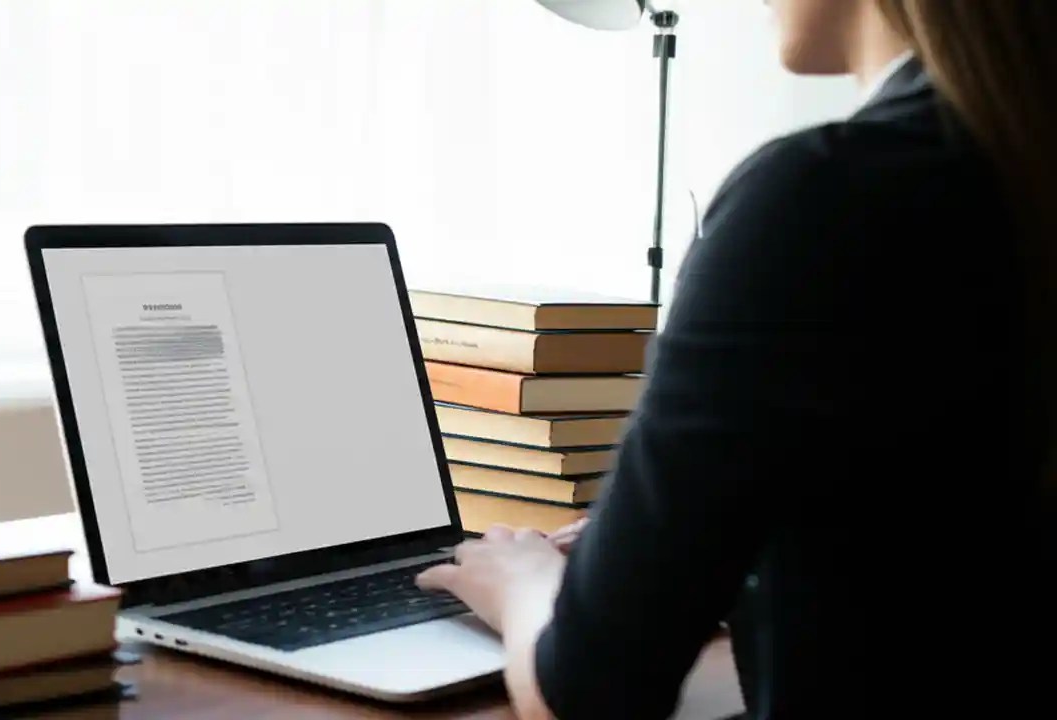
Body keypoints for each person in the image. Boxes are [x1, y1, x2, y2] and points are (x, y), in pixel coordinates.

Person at [417, 1, 1057, 718]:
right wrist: (673, 542)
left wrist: (524, 581)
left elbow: (585, 694)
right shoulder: (1010, 167)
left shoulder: (822, 197)